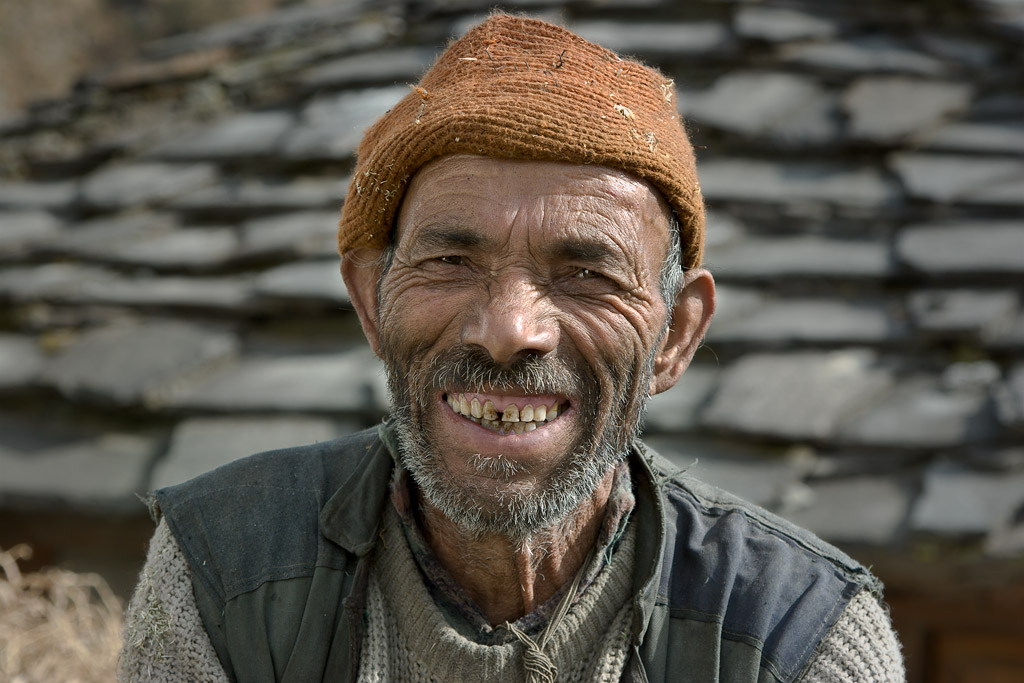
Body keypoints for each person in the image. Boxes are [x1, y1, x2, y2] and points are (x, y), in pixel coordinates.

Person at [118, 14, 904, 683]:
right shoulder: (223, 568)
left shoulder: (799, 639)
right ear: (370, 301)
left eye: (587, 273)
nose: (508, 329)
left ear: (675, 336)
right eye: (452, 261)